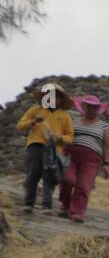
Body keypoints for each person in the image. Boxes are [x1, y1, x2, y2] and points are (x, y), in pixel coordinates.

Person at [15, 82, 74, 212]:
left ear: (61, 100)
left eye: (57, 97)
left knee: (49, 177)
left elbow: (70, 137)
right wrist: (34, 121)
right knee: (32, 175)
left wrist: (60, 139)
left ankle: (46, 206)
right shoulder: (35, 110)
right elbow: (20, 126)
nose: (53, 99)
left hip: (54, 150)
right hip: (35, 146)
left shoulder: (65, 116)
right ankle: (28, 203)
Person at [59, 95, 109, 223]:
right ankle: (65, 206)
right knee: (67, 179)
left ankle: (77, 212)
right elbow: (66, 136)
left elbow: (107, 145)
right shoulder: (74, 121)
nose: (92, 109)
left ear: (98, 109)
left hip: (91, 159)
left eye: (95, 107)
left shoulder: (104, 126)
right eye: (89, 106)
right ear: (83, 107)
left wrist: (106, 163)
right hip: (70, 155)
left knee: (83, 185)